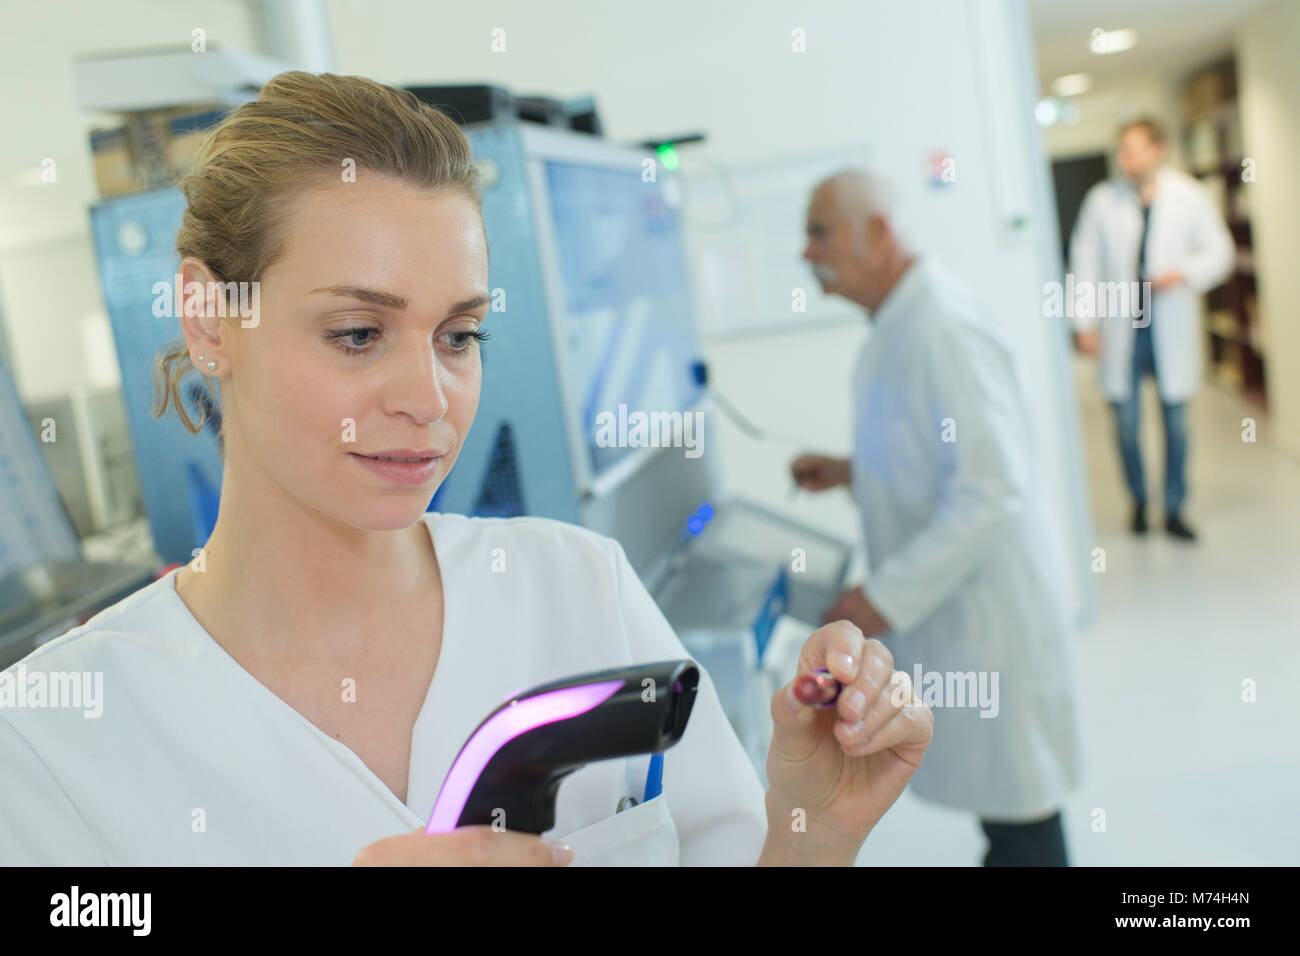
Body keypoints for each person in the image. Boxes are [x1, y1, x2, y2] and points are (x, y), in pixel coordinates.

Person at [0, 73, 933, 867]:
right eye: (358, 333)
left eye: (459, 335)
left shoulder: (579, 591)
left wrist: (813, 830)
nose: (429, 396)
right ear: (209, 321)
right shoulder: (52, 736)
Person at [791, 169, 1081, 866]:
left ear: (879, 234)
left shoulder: (941, 325)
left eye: (820, 233)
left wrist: (879, 598)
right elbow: (933, 454)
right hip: (963, 614)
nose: (807, 252)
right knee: (1004, 810)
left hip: (990, 618)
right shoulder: (904, 320)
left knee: (1022, 812)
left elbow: (989, 489)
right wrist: (849, 470)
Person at [1069, 118, 1235, 541]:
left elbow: (1220, 253)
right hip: (1122, 327)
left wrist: (1182, 273)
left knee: (1176, 424)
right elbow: (1083, 262)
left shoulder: (1189, 197)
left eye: (1134, 149)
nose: (1126, 158)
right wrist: (1083, 322)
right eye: (1122, 150)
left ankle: (1175, 507)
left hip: (1170, 325)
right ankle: (1139, 501)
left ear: (1158, 149)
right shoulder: (1101, 201)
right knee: (1125, 425)